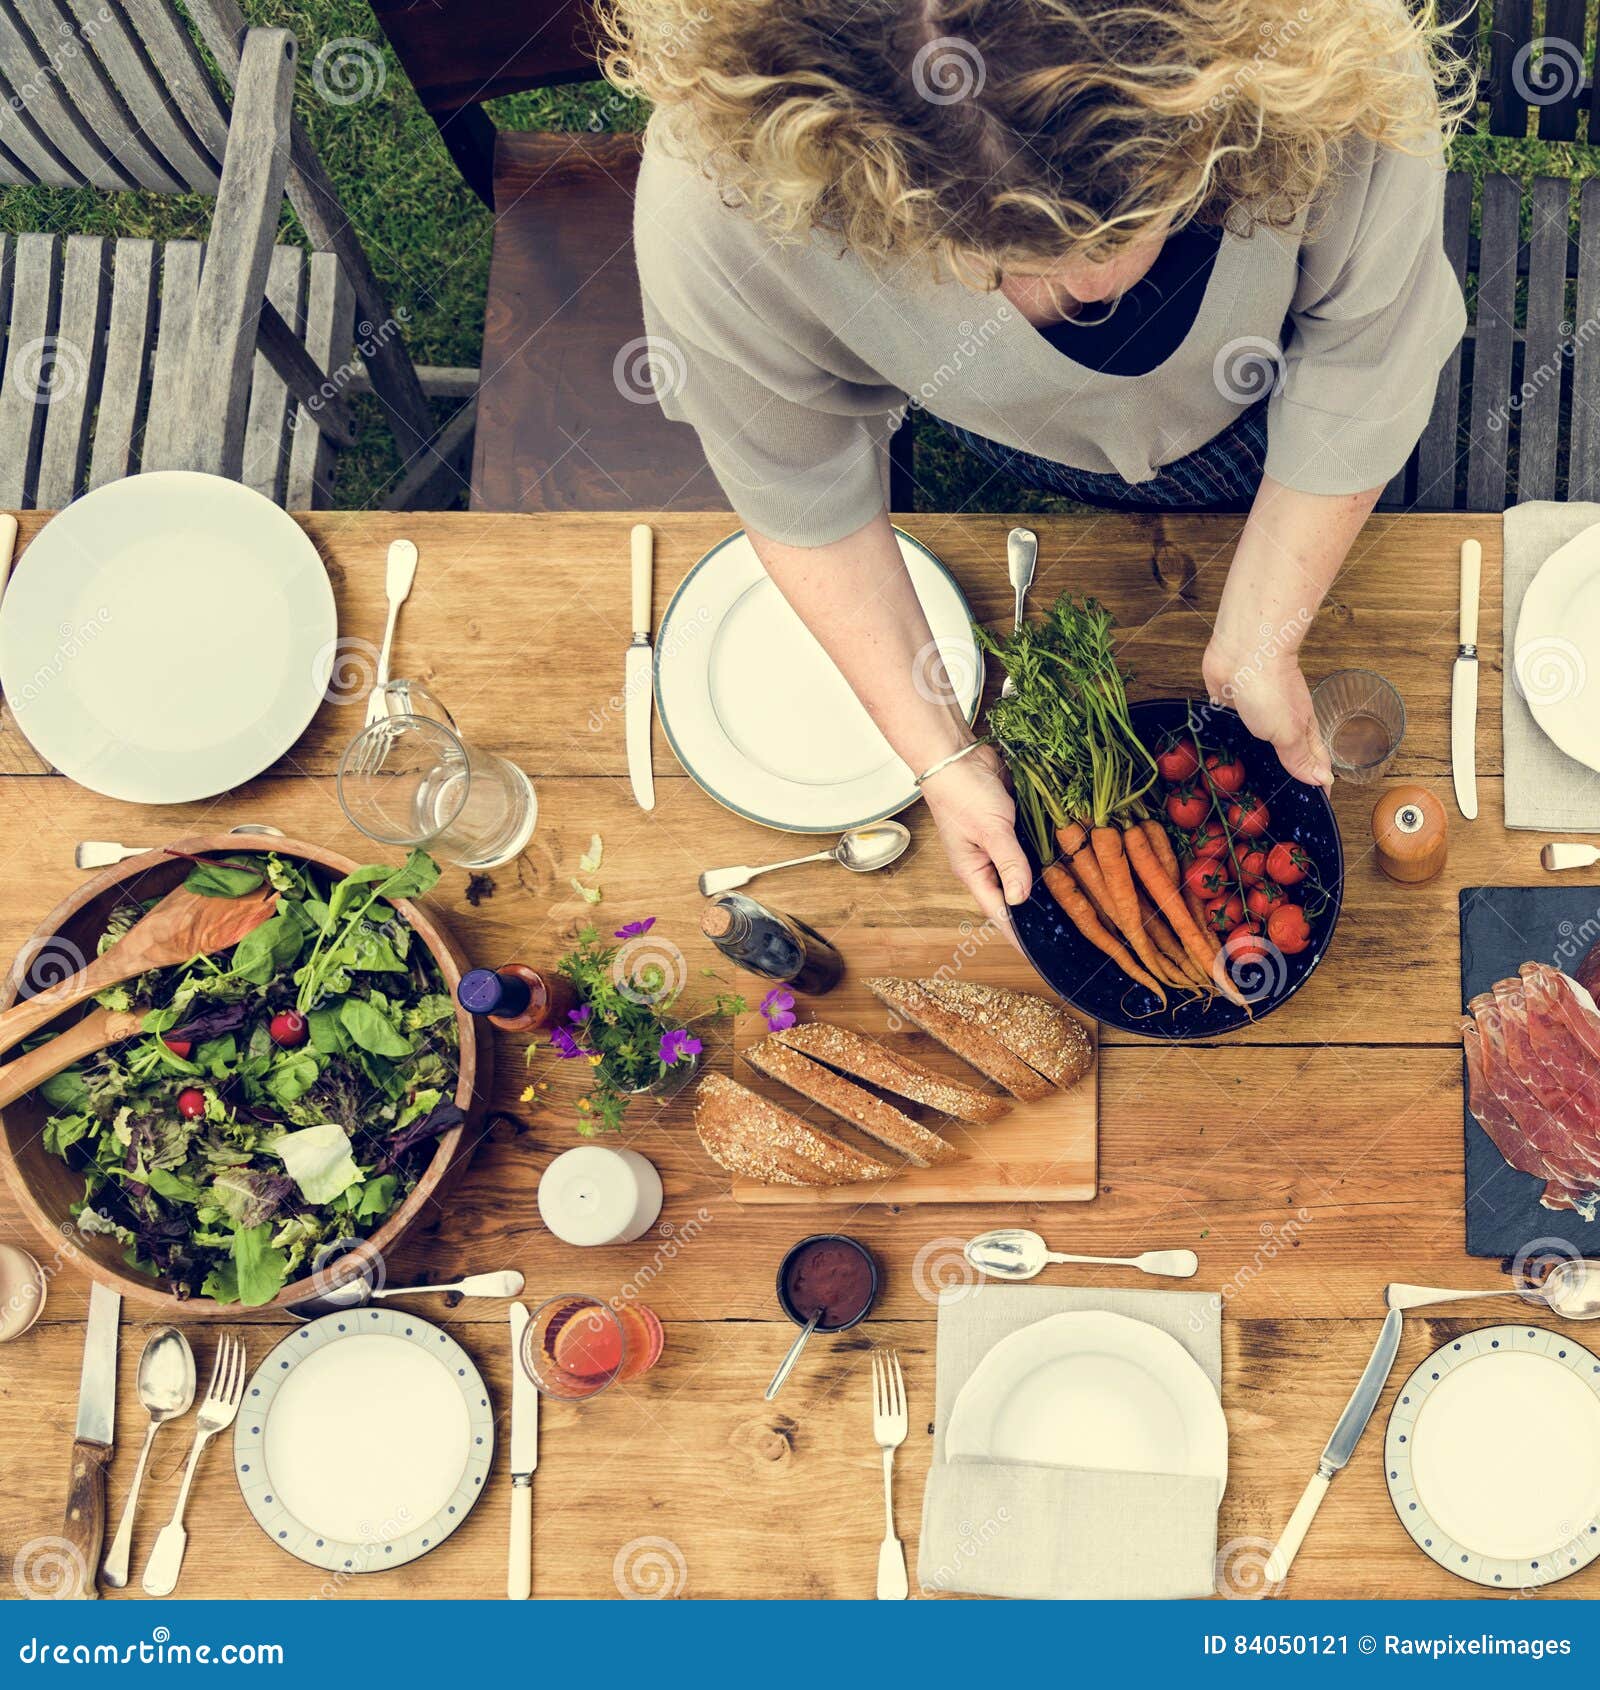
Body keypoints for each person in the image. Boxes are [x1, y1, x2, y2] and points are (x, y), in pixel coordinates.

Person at [606, 0, 1468, 930]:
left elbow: (1366, 358)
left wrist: (1262, 631)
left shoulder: (1329, 50)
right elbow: (797, 479)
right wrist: (941, 757)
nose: (1096, 287)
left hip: (1286, 401)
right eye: (996, 257)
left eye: (1157, 208)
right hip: (1027, 436)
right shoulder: (721, 199)